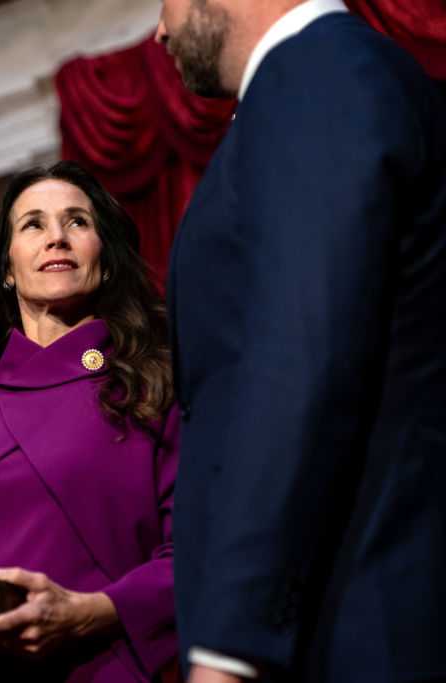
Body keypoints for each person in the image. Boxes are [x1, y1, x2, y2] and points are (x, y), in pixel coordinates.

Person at [156, 1, 446, 681]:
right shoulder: (330, 76)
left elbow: (299, 353)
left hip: (354, 626)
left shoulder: (314, 75)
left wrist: (230, 644)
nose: (161, 30)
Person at [0, 161, 179, 681]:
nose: (57, 238)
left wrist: (94, 612)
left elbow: (199, 551)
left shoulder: (156, 386)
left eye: (77, 222)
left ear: (104, 260)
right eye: (33, 224)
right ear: (6, 268)